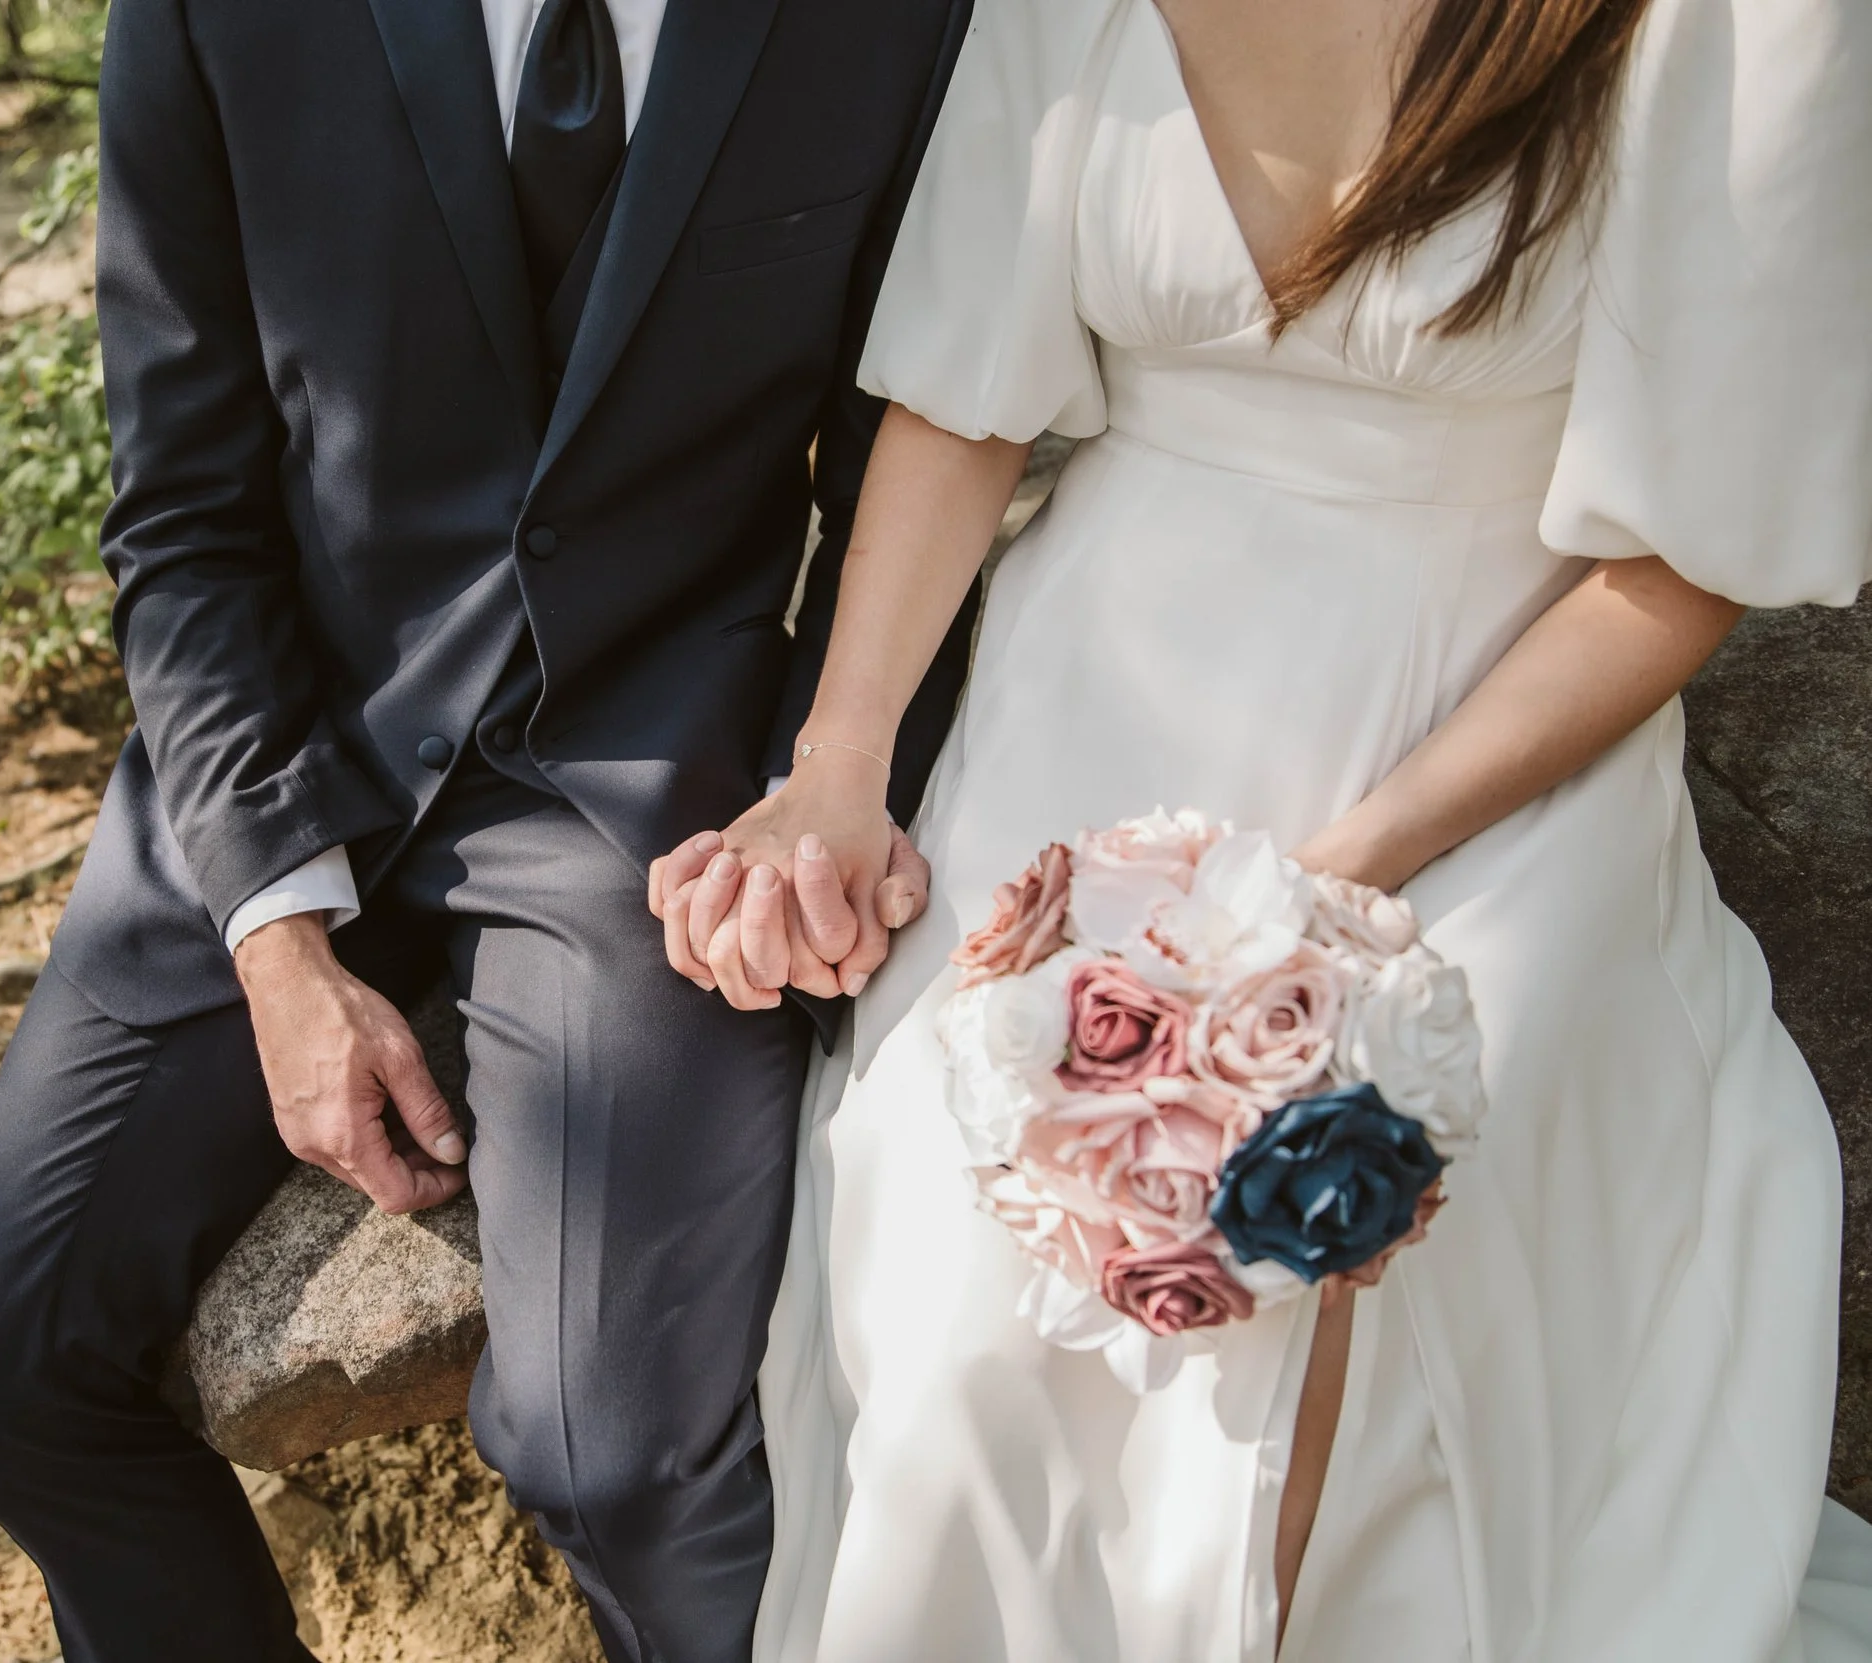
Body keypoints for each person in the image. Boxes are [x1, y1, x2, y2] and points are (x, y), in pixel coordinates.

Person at [650, 0, 1872, 1653]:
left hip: (1483, 741)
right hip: (1096, 690)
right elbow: (964, 390)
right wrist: (840, 766)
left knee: (1352, 1273)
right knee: (970, 1292)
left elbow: (1682, 561)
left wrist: (1328, 889)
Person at [0, 0, 983, 1655]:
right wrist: (273, 932)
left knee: (618, 1461)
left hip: (640, 796)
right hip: (283, 757)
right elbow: (182, 507)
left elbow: (922, 449)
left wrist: (832, 787)